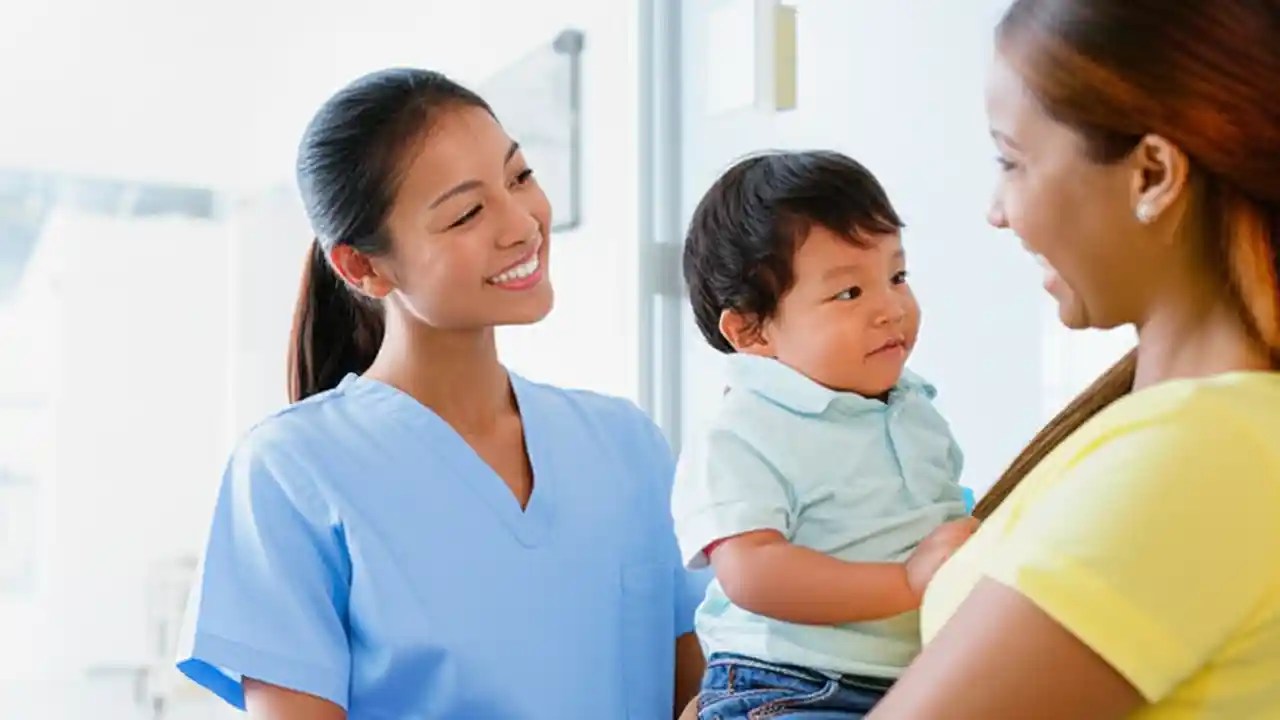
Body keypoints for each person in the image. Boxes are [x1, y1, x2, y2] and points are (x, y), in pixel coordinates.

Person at [175, 68, 707, 719]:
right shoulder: (291, 470)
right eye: (467, 214)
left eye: (519, 177)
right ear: (362, 267)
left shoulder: (628, 445)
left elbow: (708, 695)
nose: (522, 225)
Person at [868, 1, 1280, 717]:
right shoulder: (1182, 430)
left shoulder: (1202, 452)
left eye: (1011, 161)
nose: (997, 210)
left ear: (1152, 174)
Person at [674, 150, 978, 719]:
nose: (891, 308)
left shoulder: (914, 408)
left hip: (909, 676)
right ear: (751, 330)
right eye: (849, 293)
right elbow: (753, 572)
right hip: (785, 680)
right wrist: (905, 583)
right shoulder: (742, 431)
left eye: (897, 277)